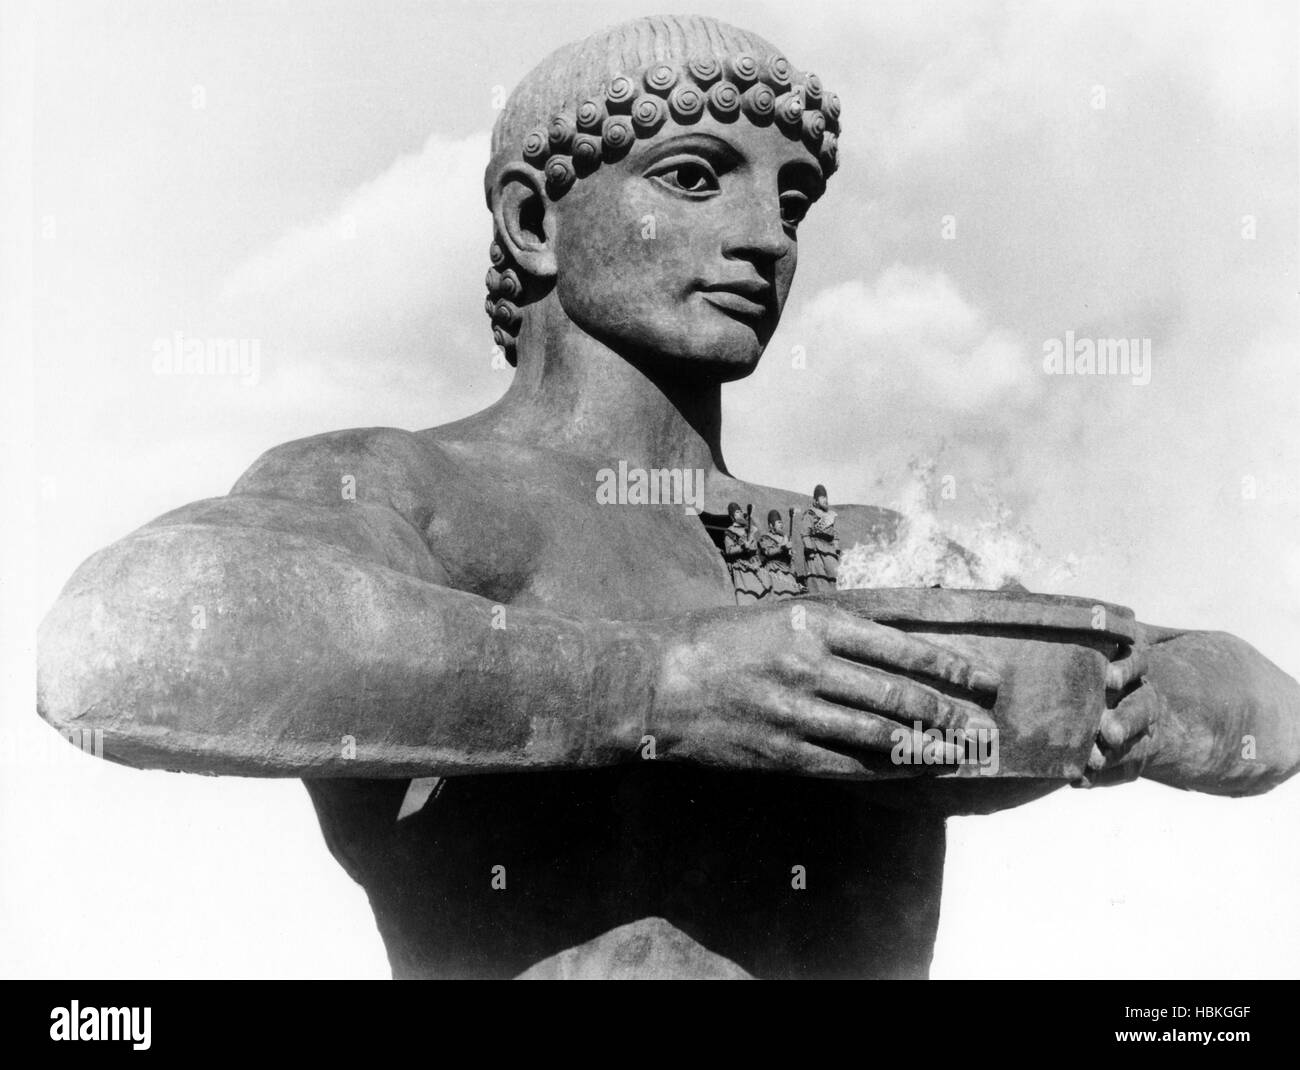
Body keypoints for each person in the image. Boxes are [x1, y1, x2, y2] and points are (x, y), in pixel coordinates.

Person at [37, 14, 1300, 980]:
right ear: (535, 220)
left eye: (790, 199)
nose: (768, 237)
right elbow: (124, 642)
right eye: (698, 177)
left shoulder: (845, 551)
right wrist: (653, 689)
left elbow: (1265, 702)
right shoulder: (426, 490)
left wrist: (1131, 705)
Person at [722, 502, 766, 604]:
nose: (740, 513)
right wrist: (742, 547)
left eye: (741, 511)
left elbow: (756, 547)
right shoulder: (730, 532)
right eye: (737, 512)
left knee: (761, 595)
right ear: (732, 516)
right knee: (747, 597)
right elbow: (729, 550)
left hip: (754, 564)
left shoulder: (749, 529)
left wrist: (752, 547)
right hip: (742, 567)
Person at [800, 484, 840, 594]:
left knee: (834, 575)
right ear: (816, 500)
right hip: (816, 550)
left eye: (826, 497)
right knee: (819, 578)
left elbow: (834, 533)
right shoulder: (810, 514)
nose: (825, 500)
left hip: (830, 550)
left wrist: (836, 548)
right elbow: (805, 533)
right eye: (822, 497)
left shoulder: (830, 515)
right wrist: (809, 548)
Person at [758, 509, 803, 598]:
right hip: (774, 568)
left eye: (782, 522)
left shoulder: (785, 537)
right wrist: (783, 547)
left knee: (792, 593)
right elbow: (768, 552)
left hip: (786, 569)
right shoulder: (765, 538)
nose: (781, 524)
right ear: (771, 525)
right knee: (779, 594)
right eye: (778, 522)